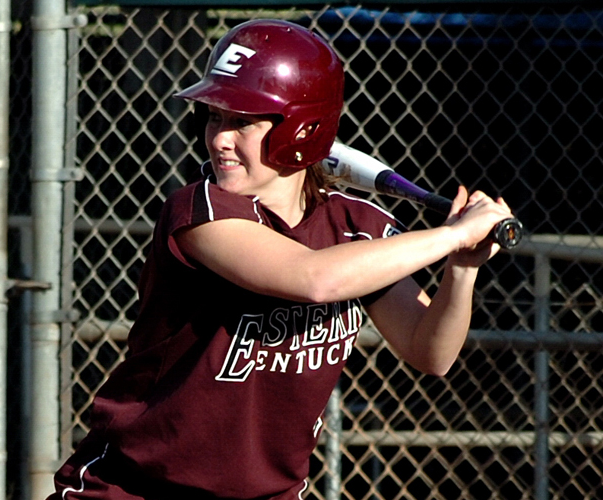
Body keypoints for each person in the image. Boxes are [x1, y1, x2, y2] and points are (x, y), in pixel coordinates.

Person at [49, 19, 515, 500]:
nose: (219, 139)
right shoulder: (199, 212)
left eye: (242, 123)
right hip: (138, 488)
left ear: (302, 130)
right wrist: (451, 235)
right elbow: (313, 279)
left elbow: (431, 353)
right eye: (214, 118)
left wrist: (462, 266)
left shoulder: (355, 226)